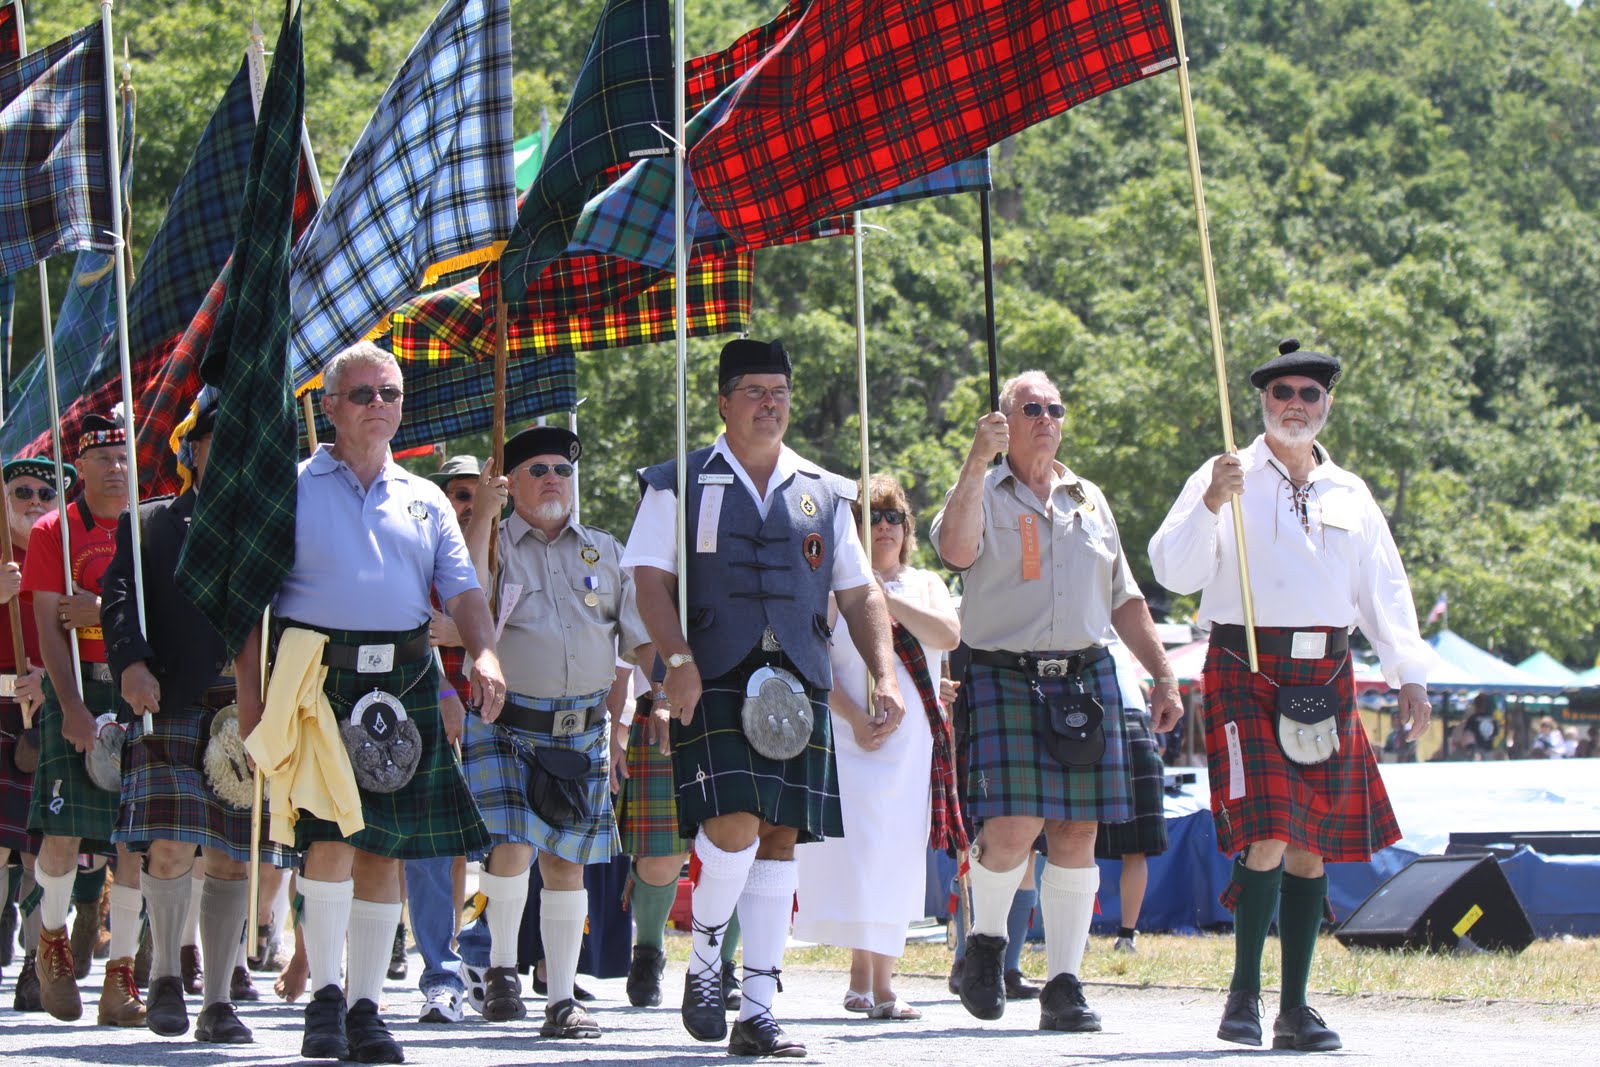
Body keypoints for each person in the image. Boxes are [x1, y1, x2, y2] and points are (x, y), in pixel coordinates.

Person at [1150, 337, 1435, 1053]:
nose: (1296, 406)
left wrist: (1409, 671)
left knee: (1312, 847)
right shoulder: (1228, 474)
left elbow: (1384, 588)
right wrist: (1211, 501)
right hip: (1247, 665)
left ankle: (1295, 1008)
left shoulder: (1351, 492)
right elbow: (1171, 566)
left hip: (1325, 676)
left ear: (1327, 405)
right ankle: (1242, 995)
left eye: (1309, 394)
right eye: (1283, 394)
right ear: (1263, 403)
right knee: (1270, 830)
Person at [624, 337, 904, 1058]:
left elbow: (859, 588)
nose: (770, 402)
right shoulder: (676, 481)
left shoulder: (823, 488)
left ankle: (757, 1010)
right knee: (735, 823)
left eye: (779, 389)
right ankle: (707, 960)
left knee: (780, 838)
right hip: (714, 669)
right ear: (722, 401)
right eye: (753, 390)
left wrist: (883, 670)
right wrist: (674, 659)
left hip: (799, 677)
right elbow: (649, 579)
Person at [234, 341, 505, 1064]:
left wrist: (483, 652)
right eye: (362, 394)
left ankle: (365, 1006)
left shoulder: (424, 499)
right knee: (328, 841)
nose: (379, 405)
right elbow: (246, 608)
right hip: (318, 681)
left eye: (390, 393)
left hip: (405, 682)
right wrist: (251, 701)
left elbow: (465, 592)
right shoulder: (285, 488)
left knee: (385, 850)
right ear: (328, 407)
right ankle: (324, 997)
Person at [929, 369, 1181, 1034]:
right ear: (1005, 421)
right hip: (1003, 672)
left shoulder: (1088, 498)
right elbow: (954, 550)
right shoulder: (981, 488)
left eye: (1053, 408)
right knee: (1013, 826)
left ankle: (1065, 983)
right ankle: (984, 944)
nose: (1045, 417)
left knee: (1078, 830)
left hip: (1085, 674)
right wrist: (975, 460)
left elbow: (1126, 598)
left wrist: (1163, 673)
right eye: (1030, 408)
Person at [101, 389, 290, 1042]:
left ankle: (216, 999)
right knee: (172, 843)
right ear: (194, 449)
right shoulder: (149, 521)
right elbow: (119, 597)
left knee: (235, 857)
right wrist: (130, 662)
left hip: (245, 704)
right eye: (219, 442)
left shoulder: (269, 532)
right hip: (174, 698)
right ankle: (162, 979)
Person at [458, 425, 649, 1039]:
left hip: (581, 731)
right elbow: (463, 597)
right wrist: (483, 517)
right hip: (508, 723)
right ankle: (501, 970)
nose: (551, 478)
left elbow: (635, 640)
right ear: (509, 483)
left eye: (561, 469)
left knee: (567, 863)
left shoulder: (602, 549)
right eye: (535, 469)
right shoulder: (491, 547)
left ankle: (563, 999)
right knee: (510, 851)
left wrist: (664, 693)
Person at [793, 474, 961, 1020]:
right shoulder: (834, 590)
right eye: (873, 517)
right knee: (859, 852)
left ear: (907, 530)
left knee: (897, 853)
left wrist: (885, 599)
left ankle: (882, 983)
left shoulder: (926, 584)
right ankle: (863, 977)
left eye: (895, 518)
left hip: (910, 743)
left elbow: (948, 635)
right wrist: (853, 716)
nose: (885, 527)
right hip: (851, 734)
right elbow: (815, 663)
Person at [20, 413, 147, 1026]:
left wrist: (98, 610)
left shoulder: (150, 529)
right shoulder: (55, 531)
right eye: (104, 459)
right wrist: (69, 706)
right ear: (80, 468)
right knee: (63, 831)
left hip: (135, 689)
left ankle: (120, 975)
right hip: (79, 688)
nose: (117, 469)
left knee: (134, 843)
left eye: (125, 457)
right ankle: (51, 942)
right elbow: (47, 623)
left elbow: (160, 616)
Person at [408, 452, 482, 1026]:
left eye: (478, 493)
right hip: (433, 713)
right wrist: (440, 695)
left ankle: (490, 959)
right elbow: (413, 629)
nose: (468, 504)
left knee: (502, 852)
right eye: (459, 493)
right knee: (434, 848)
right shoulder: (423, 550)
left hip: (504, 715)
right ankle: (441, 967)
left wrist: (468, 631)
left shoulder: (509, 552)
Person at [0, 457, 73, 1012]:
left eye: (47, 493)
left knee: (37, 848)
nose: (34, 500)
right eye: (21, 490)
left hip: (45, 709)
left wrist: (47, 680)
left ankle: (34, 959)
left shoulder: (65, 560)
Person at [1095, 650, 1167, 953]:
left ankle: (1123, 935)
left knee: (1073, 841)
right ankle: (1122, 936)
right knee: (1074, 842)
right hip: (1120, 722)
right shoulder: (1121, 630)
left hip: (1097, 721)